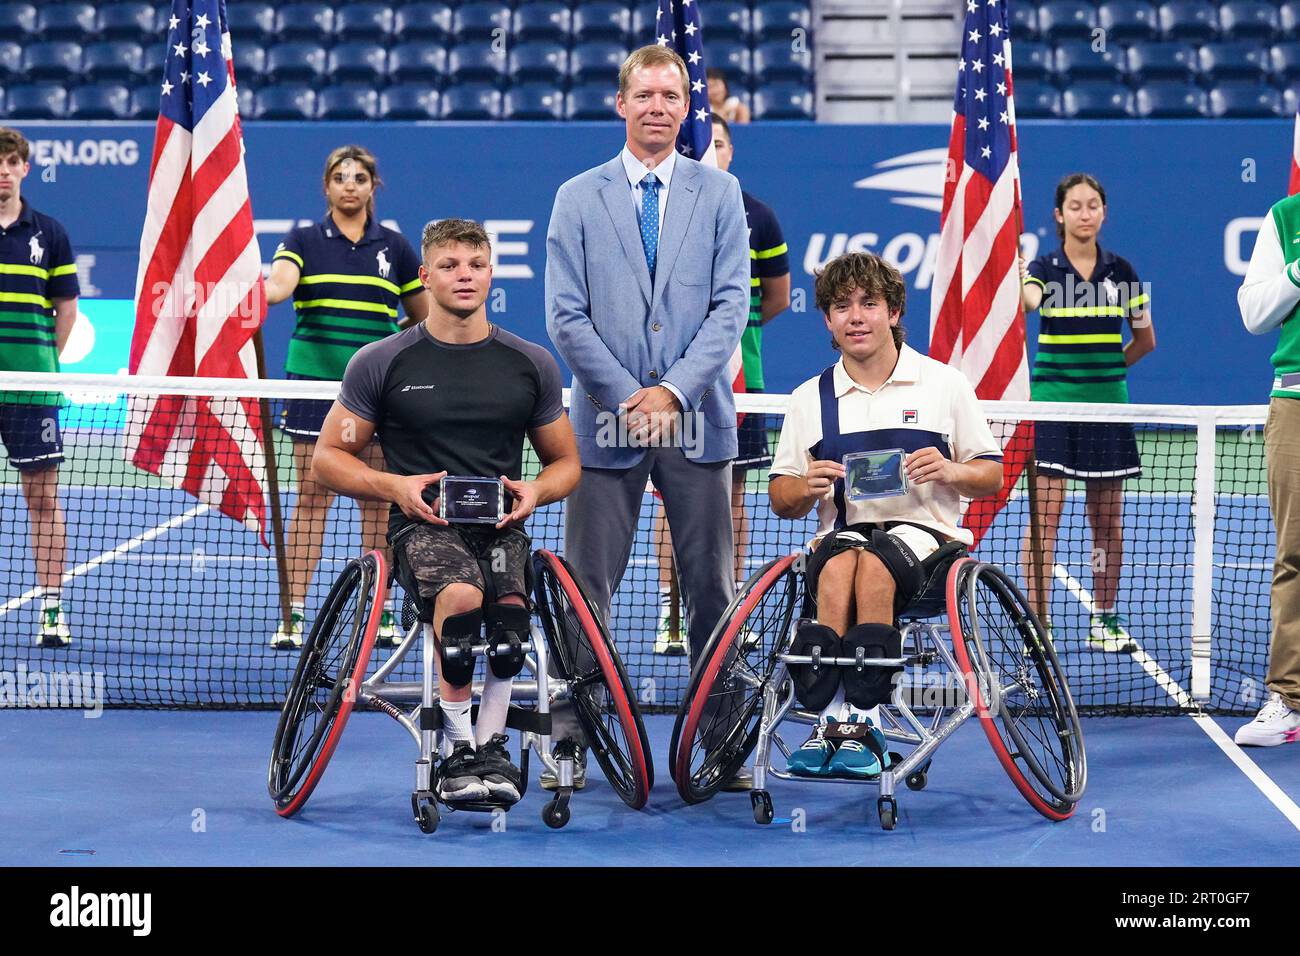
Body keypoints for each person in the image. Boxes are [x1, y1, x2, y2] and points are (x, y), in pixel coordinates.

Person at [312, 218, 580, 803]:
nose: (465, 276)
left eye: (476, 264)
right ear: (424, 275)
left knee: (510, 634)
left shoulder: (530, 363)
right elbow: (328, 459)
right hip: (422, 528)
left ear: (492, 273)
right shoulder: (380, 362)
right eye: (451, 265)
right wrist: (394, 486)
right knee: (460, 601)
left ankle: (491, 748)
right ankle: (456, 749)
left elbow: (567, 465)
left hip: (502, 529)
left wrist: (535, 491)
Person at [544, 45, 750, 788]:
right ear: (621, 102)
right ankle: (575, 731)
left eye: (673, 95)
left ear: (687, 106)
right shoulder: (577, 197)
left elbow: (733, 307)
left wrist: (673, 394)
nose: (659, 107)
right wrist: (633, 395)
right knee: (585, 589)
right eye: (646, 94)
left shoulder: (720, 194)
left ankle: (720, 733)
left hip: (698, 420)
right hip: (604, 422)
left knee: (712, 590)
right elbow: (565, 318)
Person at [769, 252, 1002, 778]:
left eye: (869, 304)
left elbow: (991, 474)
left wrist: (950, 470)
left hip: (931, 542)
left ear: (893, 311)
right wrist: (807, 487)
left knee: (872, 564)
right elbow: (781, 498)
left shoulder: (944, 385)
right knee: (838, 565)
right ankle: (830, 719)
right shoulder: (811, 398)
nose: (856, 316)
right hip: (845, 538)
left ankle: (866, 720)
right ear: (827, 319)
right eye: (841, 306)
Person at [263, 145, 429, 649]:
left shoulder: (396, 248)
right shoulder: (303, 240)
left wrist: (387, 349)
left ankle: (377, 613)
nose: (350, 184)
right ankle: (292, 614)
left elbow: (423, 315)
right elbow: (279, 287)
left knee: (377, 500)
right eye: (340, 177)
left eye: (360, 177)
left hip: (375, 389)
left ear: (373, 185)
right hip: (313, 384)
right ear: (327, 186)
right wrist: (253, 287)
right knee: (312, 497)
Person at [651, 115, 790, 654]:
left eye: (723, 143)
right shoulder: (661, 206)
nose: (716, 150)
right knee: (668, 494)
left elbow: (775, 298)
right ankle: (671, 611)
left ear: (730, 151)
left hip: (738, 383)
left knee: (733, 494)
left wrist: (731, 339)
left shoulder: (759, 215)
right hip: (668, 383)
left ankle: (726, 605)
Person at [1018, 173, 1155, 653]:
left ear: (1103, 213)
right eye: (1074, 206)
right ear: (1059, 215)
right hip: (1054, 404)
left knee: (1106, 521)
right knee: (1045, 519)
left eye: (1092, 205)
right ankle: (1039, 624)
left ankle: (1105, 618)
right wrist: (1019, 284)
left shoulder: (1123, 272)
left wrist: (1106, 371)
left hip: (1106, 407)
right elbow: (1029, 302)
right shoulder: (1044, 268)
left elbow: (1145, 338)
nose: (1084, 213)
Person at [0, 127, 80, 647]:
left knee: (42, 497)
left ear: (25, 169)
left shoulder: (48, 232)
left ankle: (51, 610)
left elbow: (66, 310)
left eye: (11, 162)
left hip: (31, 387)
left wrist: (41, 364)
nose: (2, 171)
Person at [1235, 192, 1300, 746]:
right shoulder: (1285, 217)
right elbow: (1256, 315)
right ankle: (1290, 699)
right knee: (1295, 554)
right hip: (1296, 403)